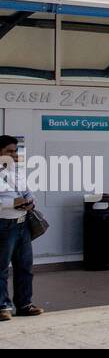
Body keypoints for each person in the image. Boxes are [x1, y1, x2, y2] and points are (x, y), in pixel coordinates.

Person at [0, 136, 42, 319]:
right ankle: (3, 307)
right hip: (3, 224)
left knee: (25, 266)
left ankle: (25, 304)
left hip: (22, 223)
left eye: (15, 151)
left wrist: (30, 202)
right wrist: (12, 203)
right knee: (1, 267)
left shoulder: (16, 171)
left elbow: (28, 192)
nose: (14, 155)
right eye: (9, 151)